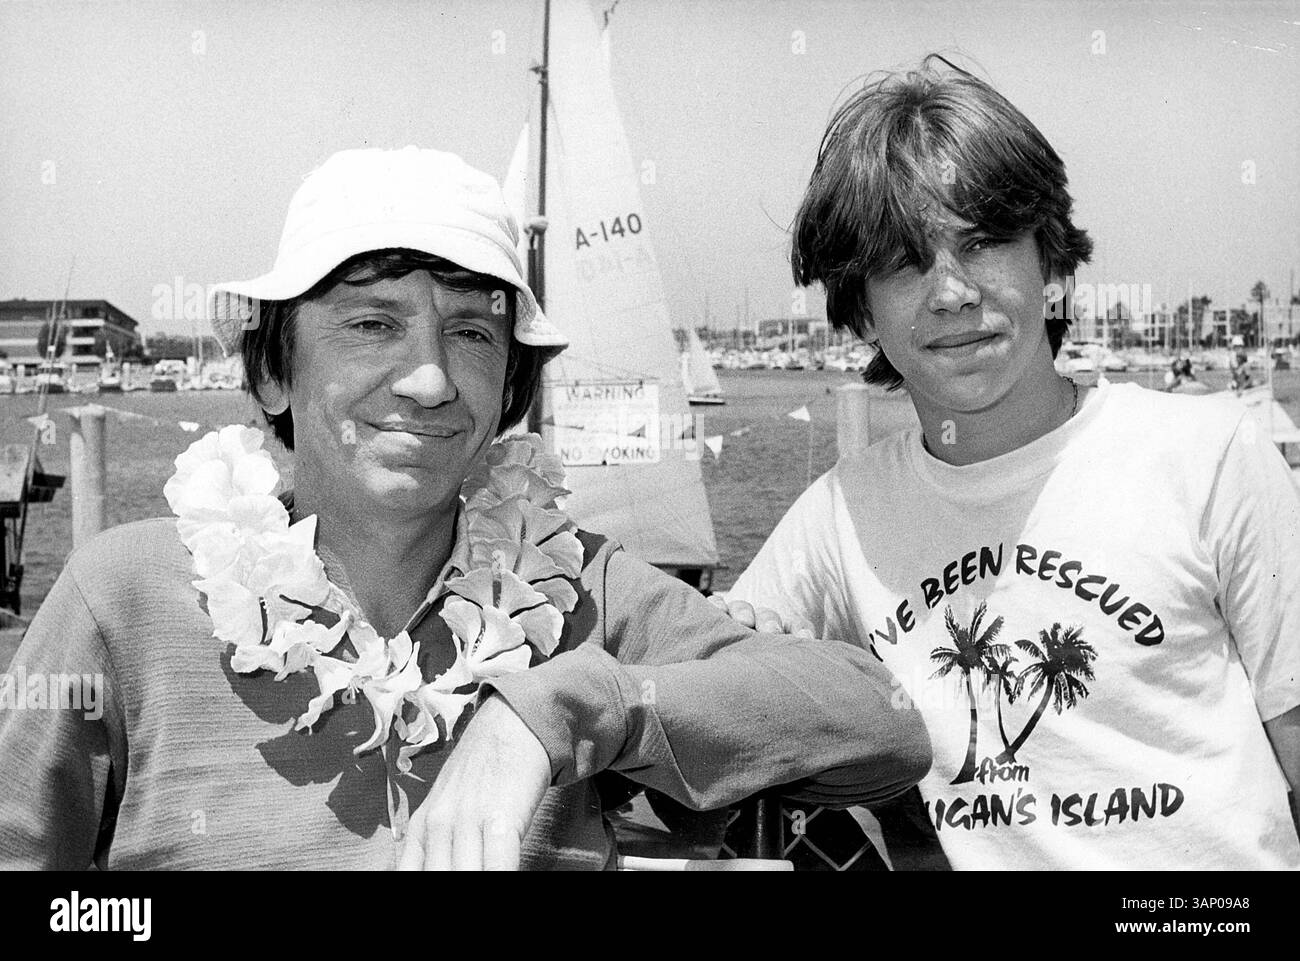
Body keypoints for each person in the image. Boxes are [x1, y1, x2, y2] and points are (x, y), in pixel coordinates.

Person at [0, 146, 930, 870]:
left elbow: (882, 718)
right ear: (275, 368)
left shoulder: (583, 594)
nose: (432, 378)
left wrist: (554, 710)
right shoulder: (121, 601)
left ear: (511, 386)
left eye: (473, 332)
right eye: (372, 323)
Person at [721, 58, 1300, 869]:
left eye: (984, 242)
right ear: (859, 306)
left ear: (1052, 264)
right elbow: (697, 683)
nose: (952, 292)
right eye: (905, 261)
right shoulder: (840, 516)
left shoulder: (1210, 457)